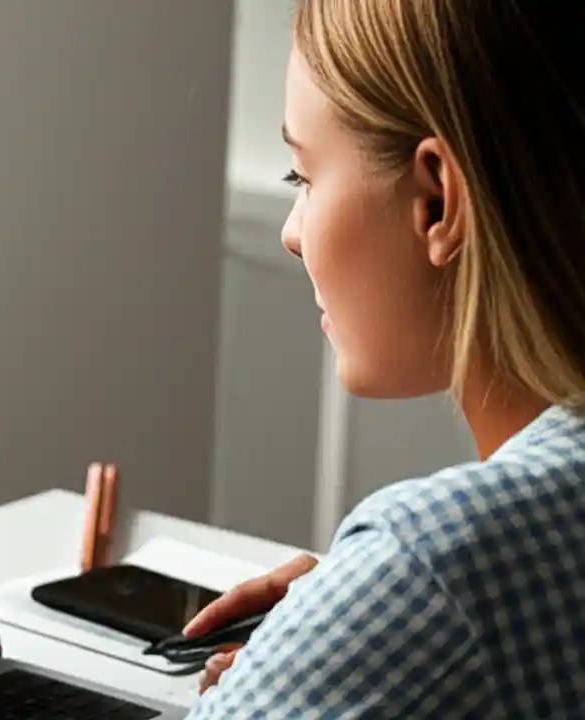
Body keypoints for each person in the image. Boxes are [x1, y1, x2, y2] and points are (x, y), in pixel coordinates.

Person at [182, 2, 585, 716]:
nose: (290, 233)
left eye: (301, 179)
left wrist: (370, 614)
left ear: (436, 200)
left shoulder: (427, 567)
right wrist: (343, 625)